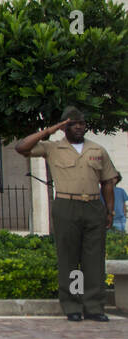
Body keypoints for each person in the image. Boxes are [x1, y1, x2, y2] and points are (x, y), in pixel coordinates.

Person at [15, 106, 120, 322]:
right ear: (64, 127)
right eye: (73, 124)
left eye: (81, 123)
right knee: (70, 259)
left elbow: (108, 182)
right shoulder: (52, 148)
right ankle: (73, 304)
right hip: (66, 205)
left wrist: (110, 211)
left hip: (92, 206)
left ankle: (94, 306)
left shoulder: (97, 150)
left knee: (94, 259)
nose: (79, 127)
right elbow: (21, 147)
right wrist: (50, 129)